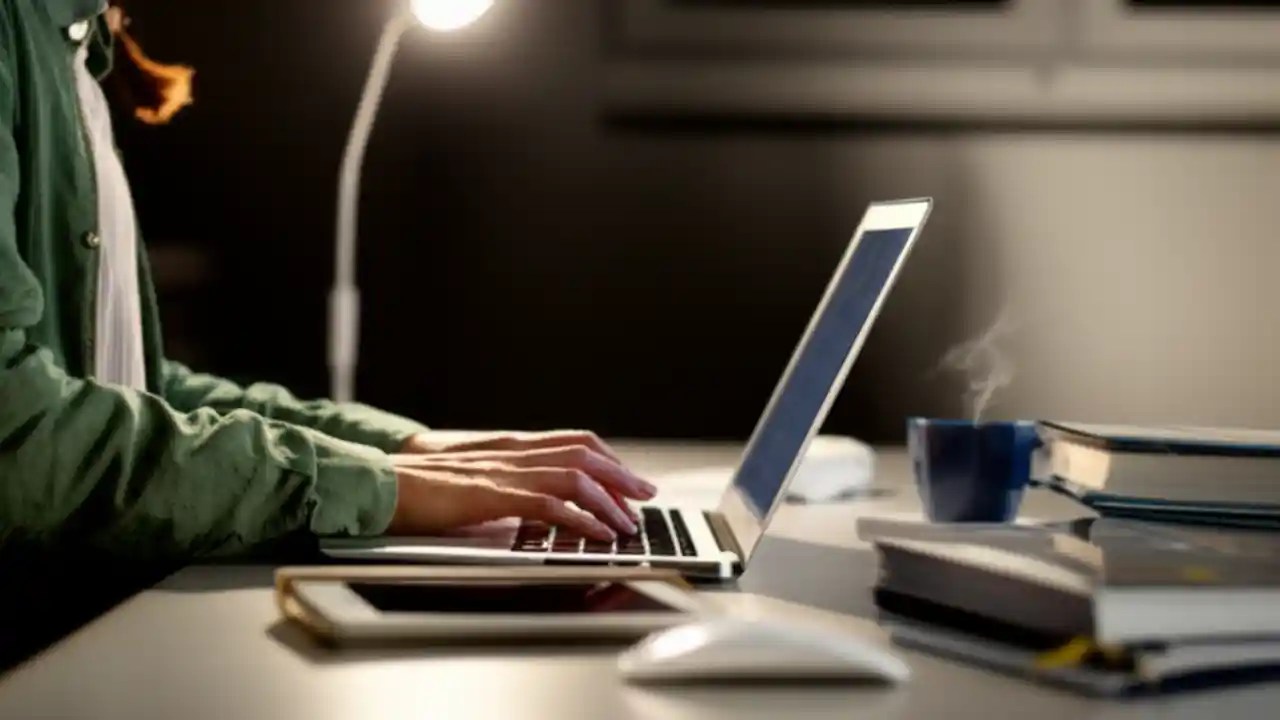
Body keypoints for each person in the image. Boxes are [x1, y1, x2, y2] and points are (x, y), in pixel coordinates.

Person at [0, 0, 653, 564]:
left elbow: (131, 386)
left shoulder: (72, 39)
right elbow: (19, 437)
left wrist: (405, 450)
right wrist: (373, 484)